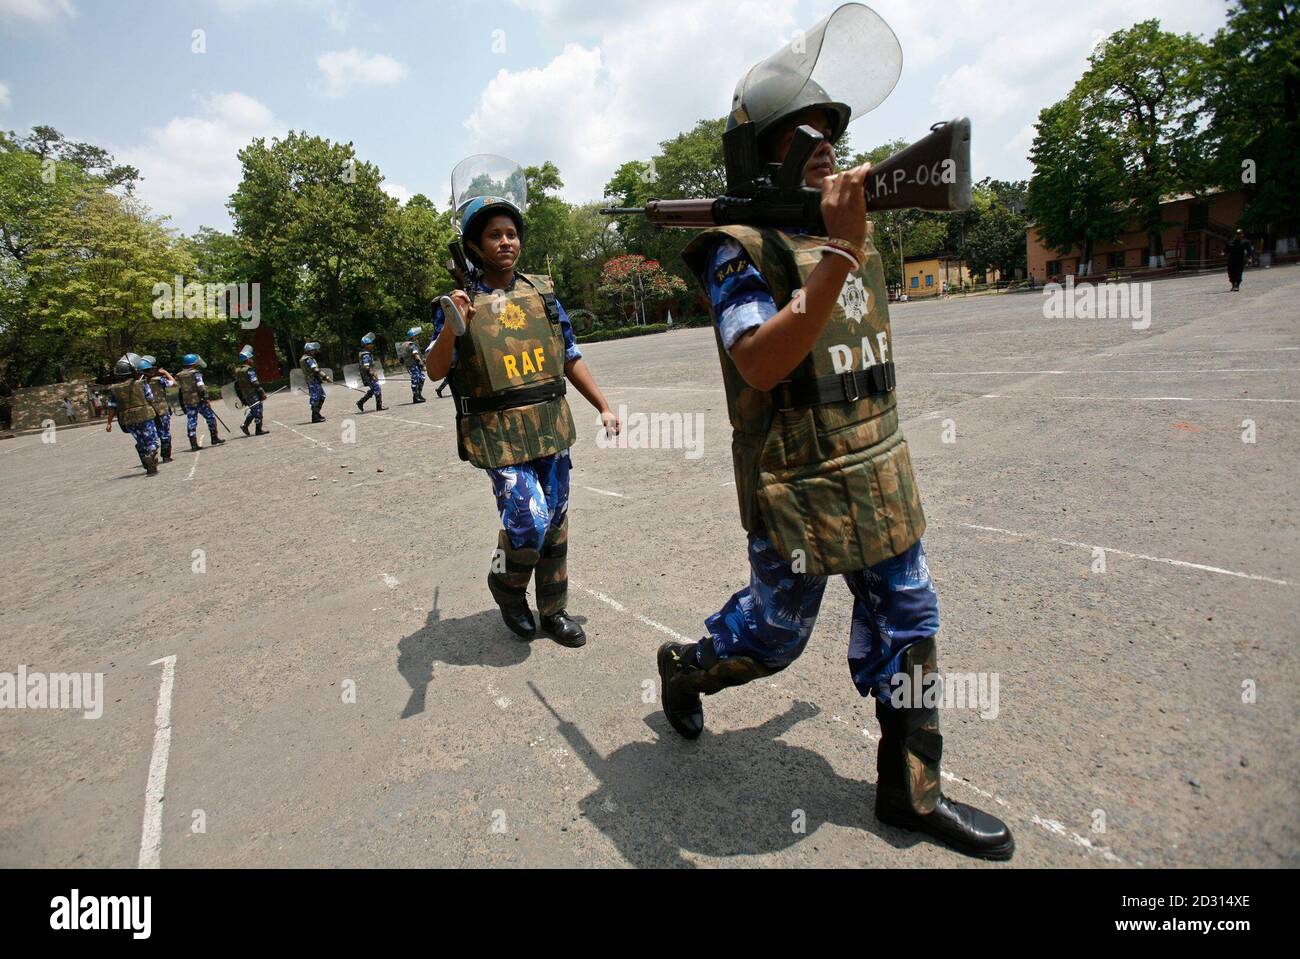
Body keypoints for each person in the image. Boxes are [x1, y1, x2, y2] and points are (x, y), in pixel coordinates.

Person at [660, 9, 1013, 861]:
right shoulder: (738, 250)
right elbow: (759, 360)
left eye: (831, 134)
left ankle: (910, 792)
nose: (824, 147)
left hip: (877, 466)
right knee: (773, 639)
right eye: (801, 136)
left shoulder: (842, 228)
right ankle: (688, 665)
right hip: (797, 482)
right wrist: (839, 257)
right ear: (760, 154)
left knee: (913, 618)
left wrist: (841, 246)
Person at [425, 158, 620, 647]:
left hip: (549, 423)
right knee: (526, 519)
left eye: (511, 233)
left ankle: (554, 610)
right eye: (494, 235)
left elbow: (569, 355)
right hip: (498, 431)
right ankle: (507, 586)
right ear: (475, 245)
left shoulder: (542, 294)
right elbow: (433, 369)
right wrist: (452, 325)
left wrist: (603, 405)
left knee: (554, 521)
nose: (505, 242)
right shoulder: (458, 300)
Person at [104, 354, 161, 475]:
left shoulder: (114, 389)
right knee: (152, 441)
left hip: (128, 419)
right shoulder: (141, 383)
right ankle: (150, 456)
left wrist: (109, 423)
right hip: (145, 415)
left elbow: (111, 407)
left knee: (141, 442)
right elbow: (150, 398)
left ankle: (148, 464)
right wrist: (156, 411)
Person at [176, 353, 224, 450]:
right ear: (193, 363)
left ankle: (193, 443)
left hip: (188, 401)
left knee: (191, 421)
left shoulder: (180, 375)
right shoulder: (195, 373)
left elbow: (180, 390)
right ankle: (214, 438)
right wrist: (206, 398)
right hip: (199, 400)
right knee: (210, 417)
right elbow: (201, 386)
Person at [138, 356, 176, 462]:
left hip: (147, 413)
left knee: (151, 436)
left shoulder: (138, 384)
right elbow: (174, 383)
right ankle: (166, 456)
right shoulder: (160, 380)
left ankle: (151, 456)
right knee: (164, 433)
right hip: (161, 410)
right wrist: (165, 373)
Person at [234, 344, 269, 436]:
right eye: (251, 358)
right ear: (248, 359)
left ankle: (245, 425)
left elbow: (237, 385)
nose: (252, 360)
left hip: (245, 394)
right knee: (258, 410)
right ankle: (258, 429)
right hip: (253, 393)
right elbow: (255, 383)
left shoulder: (238, 370)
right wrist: (262, 393)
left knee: (253, 409)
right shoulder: (249, 370)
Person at [300, 342, 331, 423]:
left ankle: (317, 413)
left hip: (314, 381)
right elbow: (315, 369)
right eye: (313, 350)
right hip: (313, 381)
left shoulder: (306, 358)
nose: (314, 352)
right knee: (316, 398)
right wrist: (325, 377)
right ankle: (315, 416)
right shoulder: (308, 359)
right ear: (309, 351)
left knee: (321, 396)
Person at [354, 333, 385, 412]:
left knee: (373, 390)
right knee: (377, 388)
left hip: (368, 375)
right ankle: (379, 406)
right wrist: (372, 375)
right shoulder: (366, 354)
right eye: (369, 344)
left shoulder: (364, 353)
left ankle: (360, 402)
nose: (372, 345)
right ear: (365, 345)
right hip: (369, 375)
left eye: (371, 343)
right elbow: (366, 367)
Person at [400, 326, 428, 403]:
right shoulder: (412, 345)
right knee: (416, 380)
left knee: (421, 378)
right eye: (416, 335)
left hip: (409, 365)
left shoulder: (404, 345)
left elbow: (401, 358)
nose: (417, 337)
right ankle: (416, 397)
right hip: (414, 365)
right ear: (413, 336)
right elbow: (416, 355)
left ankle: (418, 395)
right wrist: (422, 365)